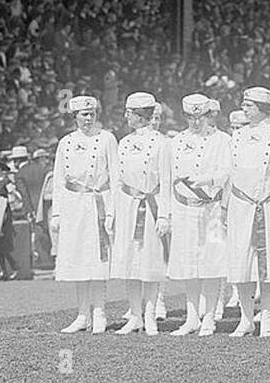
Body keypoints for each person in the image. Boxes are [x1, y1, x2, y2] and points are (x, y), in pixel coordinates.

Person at [225, 86, 270, 337]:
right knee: (240, 263)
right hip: (240, 206)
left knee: (269, 265)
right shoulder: (237, 135)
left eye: (249, 105)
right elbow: (229, 173)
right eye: (244, 104)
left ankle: (266, 316)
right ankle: (246, 318)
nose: (244, 108)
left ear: (263, 108)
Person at [51, 95, 120, 334]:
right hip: (73, 206)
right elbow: (59, 180)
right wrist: (57, 213)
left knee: (97, 260)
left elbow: (115, 178)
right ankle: (82, 314)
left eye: (91, 114)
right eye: (83, 115)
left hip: (97, 204)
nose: (88, 119)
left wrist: (111, 211)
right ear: (75, 117)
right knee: (77, 261)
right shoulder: (65, 142)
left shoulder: (107, 139)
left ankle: (99, 312)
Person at [166, 93, 231, 336]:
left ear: (208, 115)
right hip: (184, 208)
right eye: (190, 117)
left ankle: (210, 317)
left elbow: (228, 172)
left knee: (212, 264)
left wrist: (210, 179)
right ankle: (191, 317)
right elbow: (168, 177)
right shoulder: (176, 141)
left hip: (212, 209)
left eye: (200, 117)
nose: (195, 122)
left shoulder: (222, 140)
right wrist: (168, 213)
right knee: (188, 264)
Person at [110, 92, 173, 335]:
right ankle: (134, 314)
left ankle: (150, 315)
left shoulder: (162, 142)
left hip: (152, 206)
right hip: (128, 206)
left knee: (151, 262)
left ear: (139, 116)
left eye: (129, 113)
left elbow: (166, 180)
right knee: (130, 262)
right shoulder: (124, 142)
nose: (126, 117)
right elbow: (118, 181)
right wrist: (113, 213)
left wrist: (165, 215)